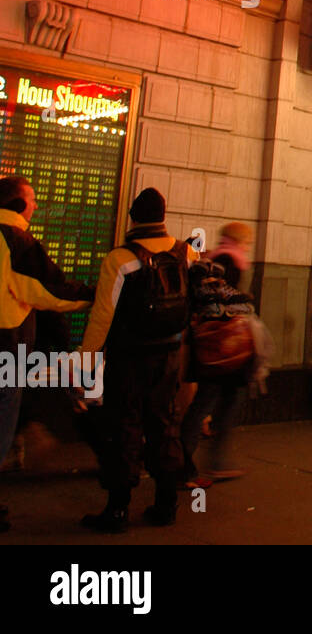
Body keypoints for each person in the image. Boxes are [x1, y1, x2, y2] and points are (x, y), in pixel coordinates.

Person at [78, 188, 198, 532]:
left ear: (133, 216)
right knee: (164, 424)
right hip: (170, 354)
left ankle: (117, 510)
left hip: (129, 357)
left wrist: (85, 360)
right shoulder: (186, 252)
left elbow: (103, 315)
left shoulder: (120, 258)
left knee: (124, 426)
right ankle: (165, 504)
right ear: (163, 215)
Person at [0, 176, 94, 532]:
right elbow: (48, 290)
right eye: (33, 199)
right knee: (2, 418)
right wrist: (97, 295)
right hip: (6, 344)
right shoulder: (17, 241)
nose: (36, 205)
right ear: (18, 205)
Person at [180, 221, 258, 486]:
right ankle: (203, 463)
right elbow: (228, 299)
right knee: (217, 403)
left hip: (210, 342)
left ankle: (192, 463)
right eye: (247, 240)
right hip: (226, 346)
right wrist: (245, 300)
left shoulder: (214, 258)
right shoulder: (232, 260)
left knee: (207, 402)